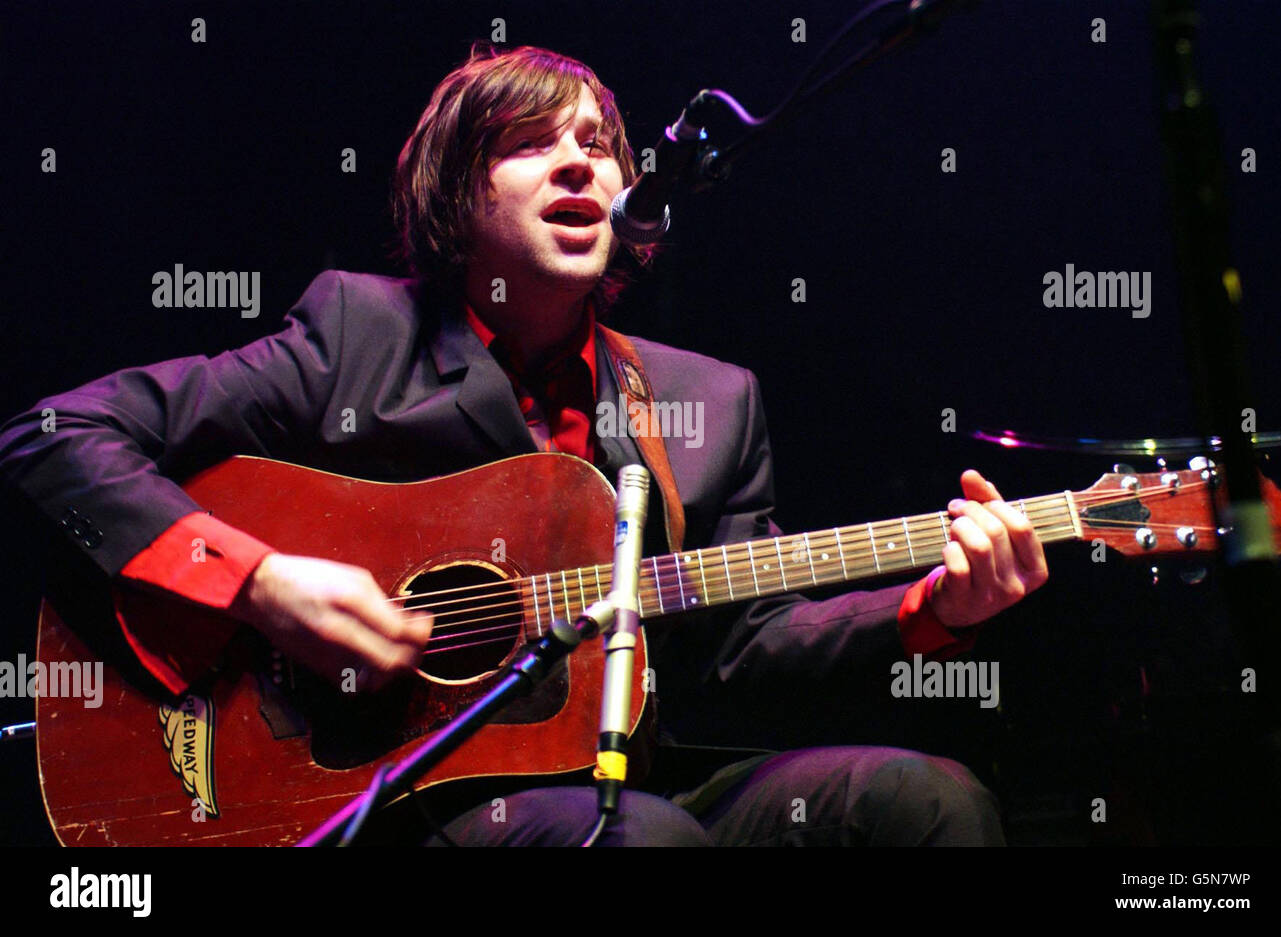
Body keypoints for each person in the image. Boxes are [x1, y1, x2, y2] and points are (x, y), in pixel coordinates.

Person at [0, 43, 1047, 845]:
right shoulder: (358, 337)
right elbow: (50, 435)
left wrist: (929, 611)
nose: (579, 167)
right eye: (531, 144)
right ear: (461, 189)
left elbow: (741, 654)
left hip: (637, 780)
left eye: (598, 146)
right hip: (400, 796)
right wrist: (261, 583)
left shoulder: (705, 399)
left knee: (931, 802)